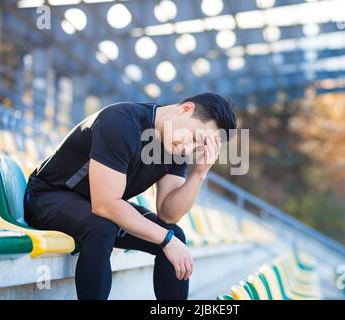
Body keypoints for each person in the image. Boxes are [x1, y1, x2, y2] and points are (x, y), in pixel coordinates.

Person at [23, 92, 236, 300]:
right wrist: (165, 240)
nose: (188, 149)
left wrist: (199, 173)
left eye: (198, 147)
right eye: (193, 138)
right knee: (102, 226)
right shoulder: (121, 123)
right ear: (186, 109)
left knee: (174, 233)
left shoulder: (177, 146)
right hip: (50, 196)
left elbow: (168, 214)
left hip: (94, 206)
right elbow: (105, 205)